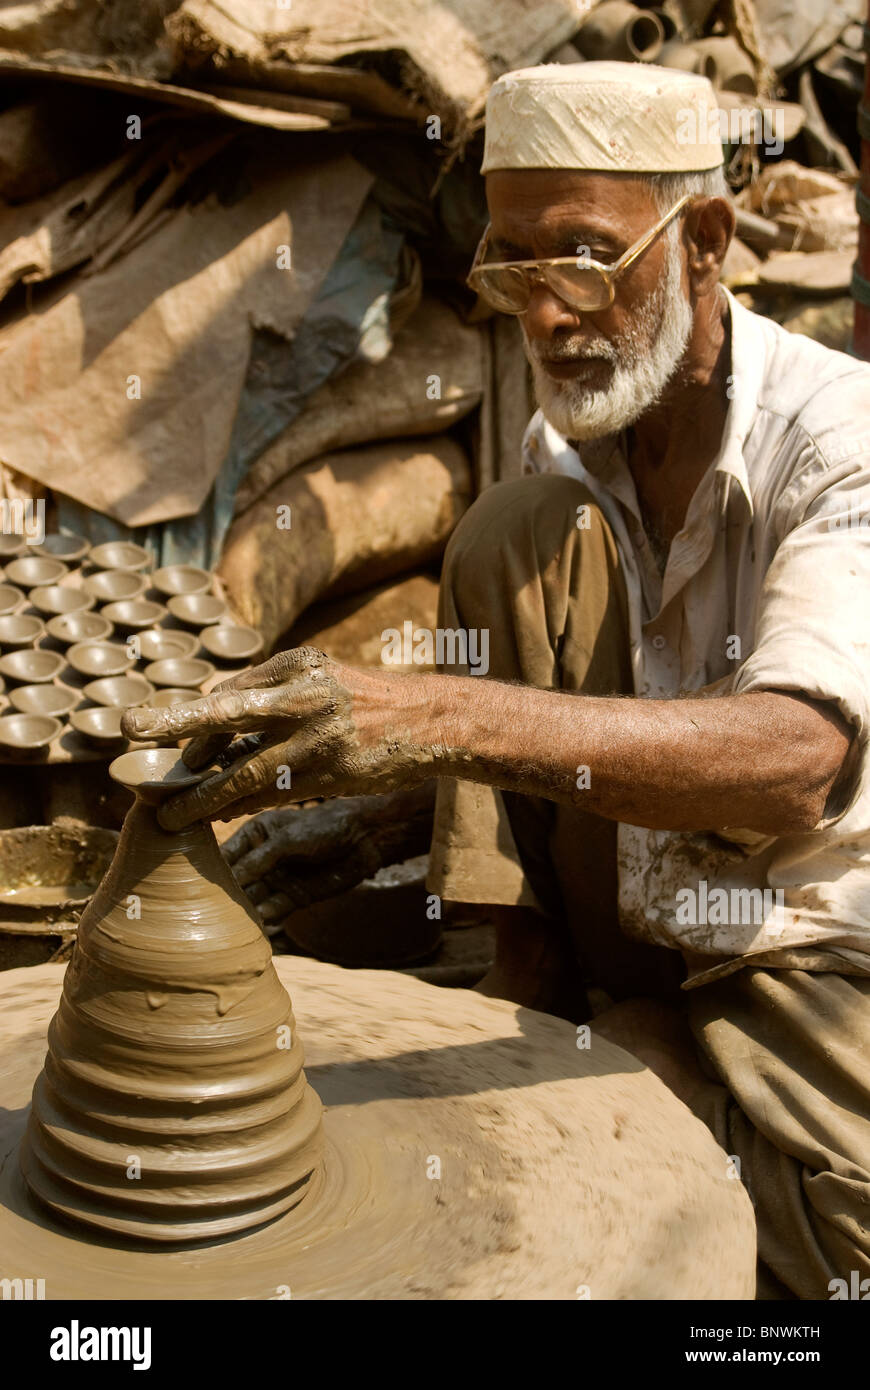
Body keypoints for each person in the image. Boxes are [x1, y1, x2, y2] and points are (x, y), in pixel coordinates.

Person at [124, 62, 870, 1300]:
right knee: (511, 529)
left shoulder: (841, 440)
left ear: (706, 242)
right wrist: (361, 822)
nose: (547, 317)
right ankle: (537, 1032)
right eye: (512, 270)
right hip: (634, 920)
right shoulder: (567, 443)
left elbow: (802, 763)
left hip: (803, 953)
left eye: (583, 258)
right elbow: (557, 728)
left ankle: (650, 1083)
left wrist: (426, 716)